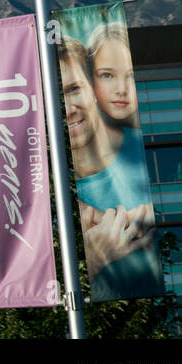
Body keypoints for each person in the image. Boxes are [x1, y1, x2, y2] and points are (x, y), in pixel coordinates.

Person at [58, 34, 163, 300]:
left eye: (73, 89)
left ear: (93, 90)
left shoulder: (148, 152)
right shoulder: (33, 188)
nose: (68, 108)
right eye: (55, 96)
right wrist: (96, 259)